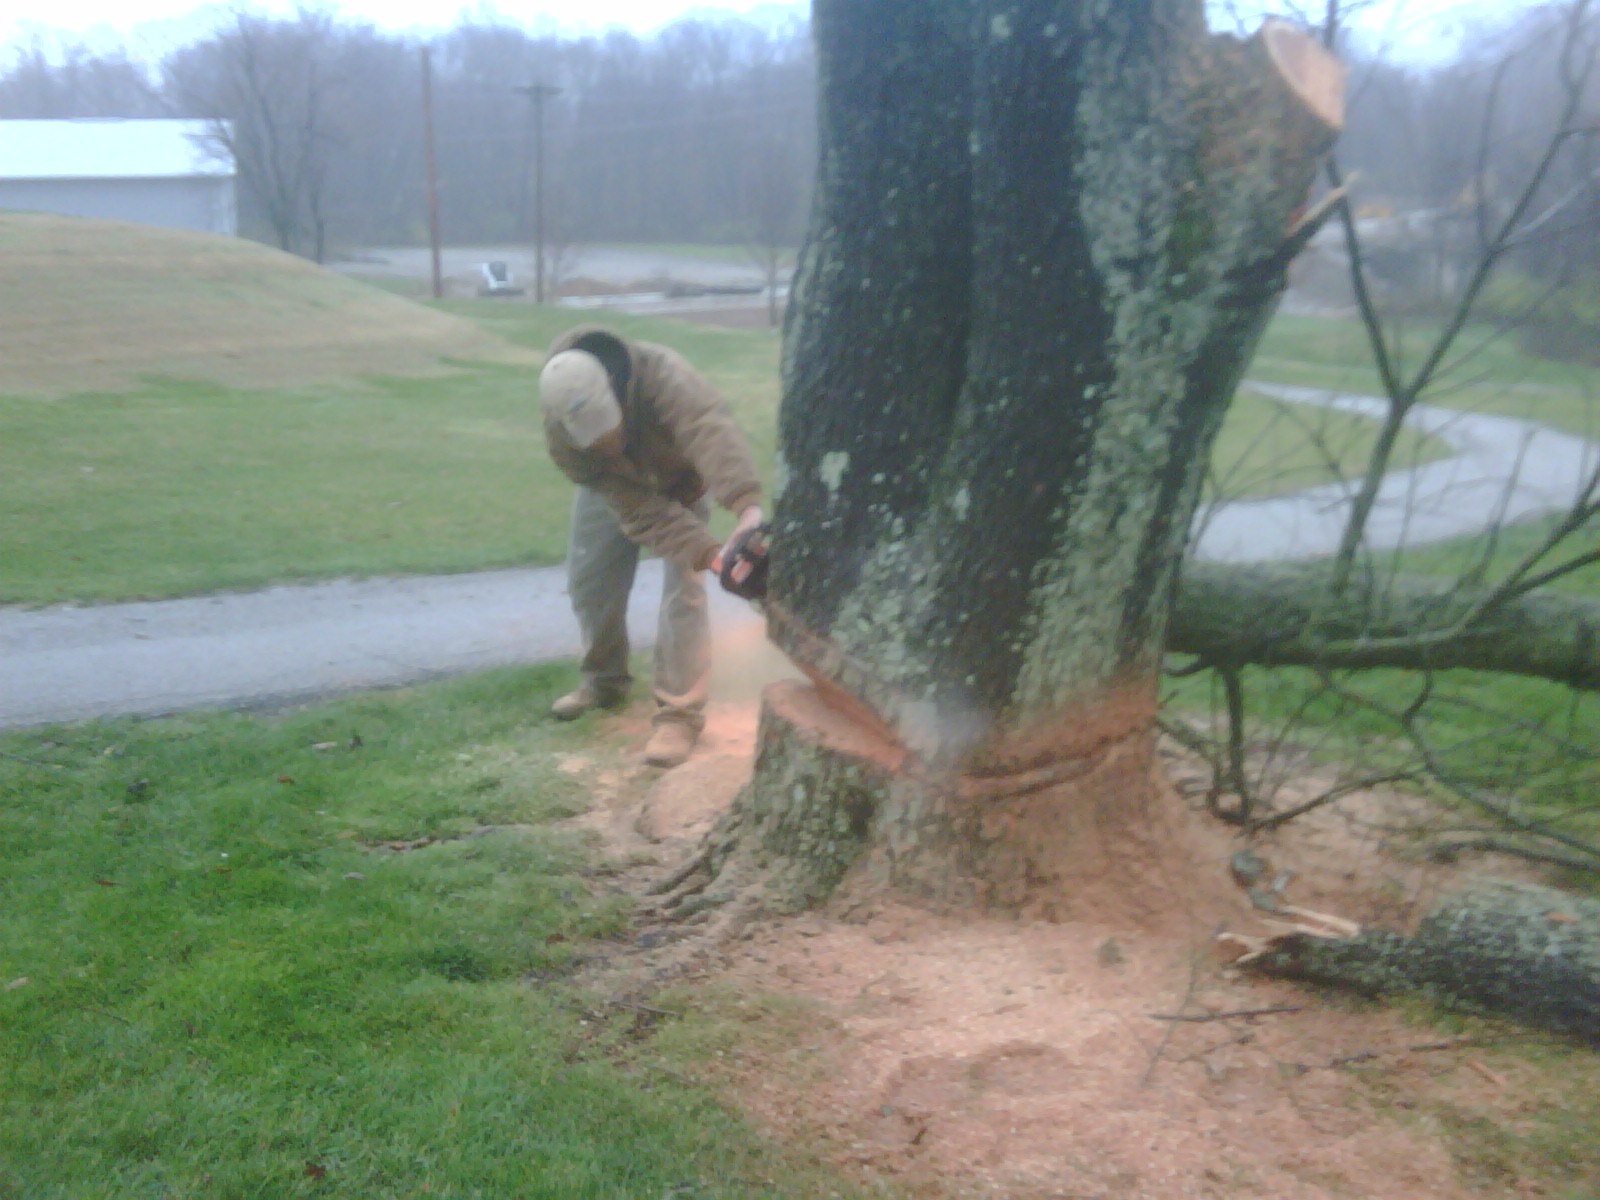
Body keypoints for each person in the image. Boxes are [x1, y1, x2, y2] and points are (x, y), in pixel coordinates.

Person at [539, 325, 763, 768]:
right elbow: (639, 512)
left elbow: (710, 432)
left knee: (685, 590)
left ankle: (679, 714)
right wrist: (709, 552)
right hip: (615, 489)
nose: (609, 441)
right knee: (590, 583)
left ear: (615, 387)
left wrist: (746, 509)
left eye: (610, 426)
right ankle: (604, 682)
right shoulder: (560, 431)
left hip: (681, 479)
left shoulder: (663, 375)